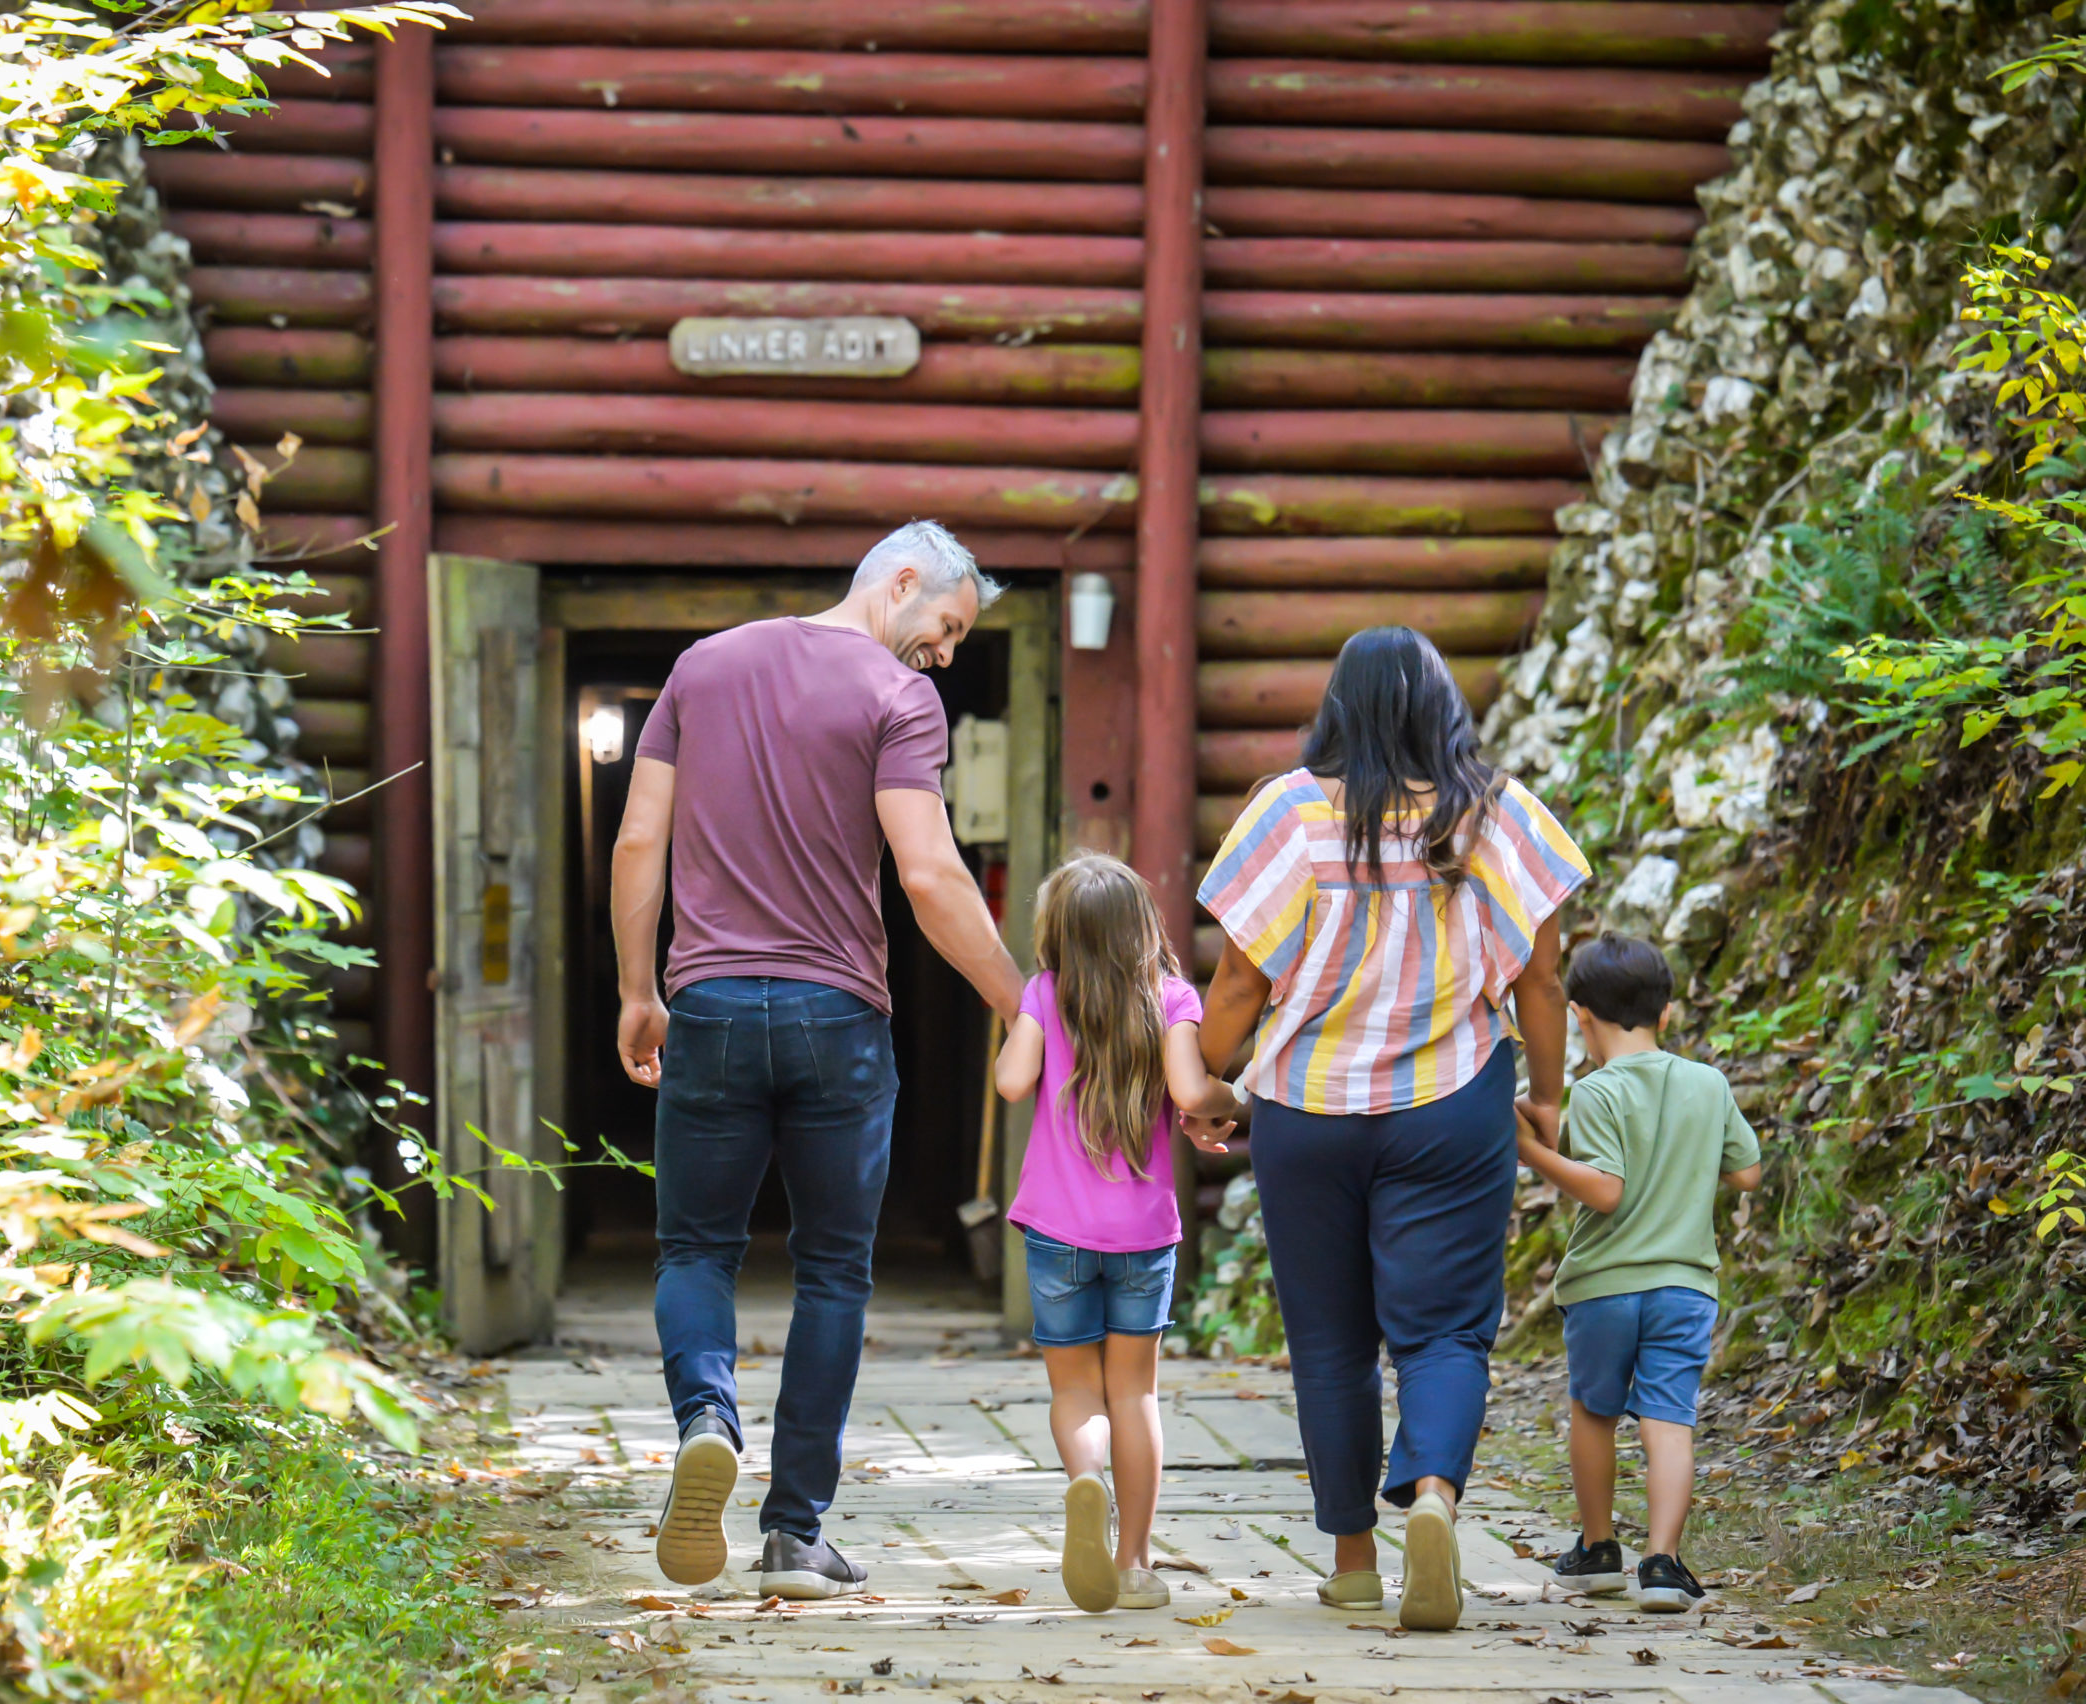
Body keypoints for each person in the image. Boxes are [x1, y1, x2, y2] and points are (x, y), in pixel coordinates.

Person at [612, 519, 1026, 1601]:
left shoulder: (704, 667)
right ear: (900, 580)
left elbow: (639, 840)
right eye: (947, 626)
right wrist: (1019, 1001)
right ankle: (794, 1535)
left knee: (696, 1248)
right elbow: (929, 874)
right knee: (833, 1270)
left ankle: (707, 1418)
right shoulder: (898, 698)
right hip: (835, 1019)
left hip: (707, 1006)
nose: (946, 654)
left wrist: (638, 991)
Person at [1185, 626, 1588, 1633]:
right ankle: (1435, 1498)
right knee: (1445, 1331)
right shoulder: (1497, 813)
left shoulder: (1288, 811)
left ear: (1339, 706)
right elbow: (1542, 980)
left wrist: (1207, 1080)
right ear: (1443, 707)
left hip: (1306, 1111)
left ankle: (1355, 1564)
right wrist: (1546, 1095)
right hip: (1452, 1106)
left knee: (1330, 1342)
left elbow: (1237, 983)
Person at [992, 855, 1240, 1613]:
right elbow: (1190, 1090)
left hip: (1057, 1232)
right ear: (1143, 927)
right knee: (1135, 1393)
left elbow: (1011, 1081)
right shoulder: (1172, 998)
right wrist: (1231, 1098)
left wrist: (1029, 1016)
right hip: (1143, 1235)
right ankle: (1133, 1564)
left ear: (1059, 931)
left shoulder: (1045, 993)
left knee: (1076, 1390)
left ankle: (1085, 1479)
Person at [1517, 934, 1762, 1613]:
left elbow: (1604, 1190)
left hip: (1604, 1285)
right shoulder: (1708, 1084)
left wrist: (1531, 1153)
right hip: (1684, 1285)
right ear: (1668, 1012)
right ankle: (1662, 1564)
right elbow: (1746, 1173)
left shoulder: (1597, 1091)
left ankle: (1599, 1551)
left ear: (1579, 1016)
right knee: (1669, 1419)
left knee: (1594, 1412)